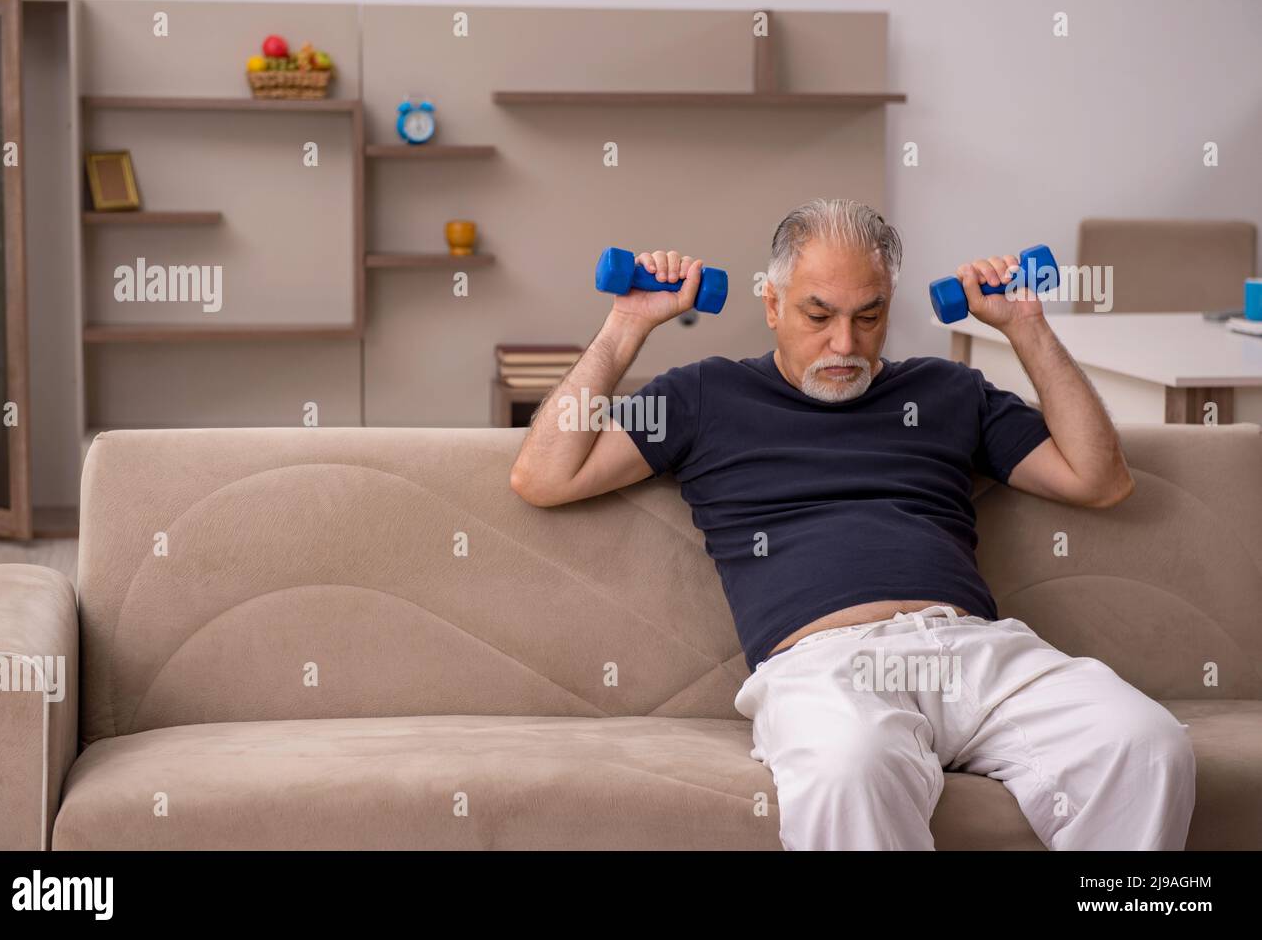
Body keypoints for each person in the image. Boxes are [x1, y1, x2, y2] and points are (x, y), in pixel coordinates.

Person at [508, 197, 1195, 850]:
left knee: (1145, 743)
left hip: (976, 652)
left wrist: (1027, 327)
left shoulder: (947, 390)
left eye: (869, 316)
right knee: (849, 766)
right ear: (771, 304)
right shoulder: (703, 394)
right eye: (819, 315)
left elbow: (1101, 480)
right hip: (826, 669)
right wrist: (627, 323)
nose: (845, 342)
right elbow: (543, 476)